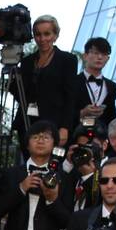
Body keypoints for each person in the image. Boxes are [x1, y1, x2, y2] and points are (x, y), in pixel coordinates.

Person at [19, 15, 78, 149]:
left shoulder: (67, 60)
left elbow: (70, 96)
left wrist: (65, 127)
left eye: (47, 34)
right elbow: (23, 92)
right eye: (38, 34)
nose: (42, 39)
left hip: (55, 123)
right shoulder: (27, 62)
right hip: (29, 122)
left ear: (55, 35)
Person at [68, 37, 116, 137]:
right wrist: (82, 113)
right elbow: (63, 112)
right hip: (74, 135)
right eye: (95, 53)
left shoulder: (113, 87)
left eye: (104, 54)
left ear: (108, 59)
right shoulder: (72, 82)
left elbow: (112, 117)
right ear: (85, 56)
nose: (99, 57)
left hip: (101, 139)